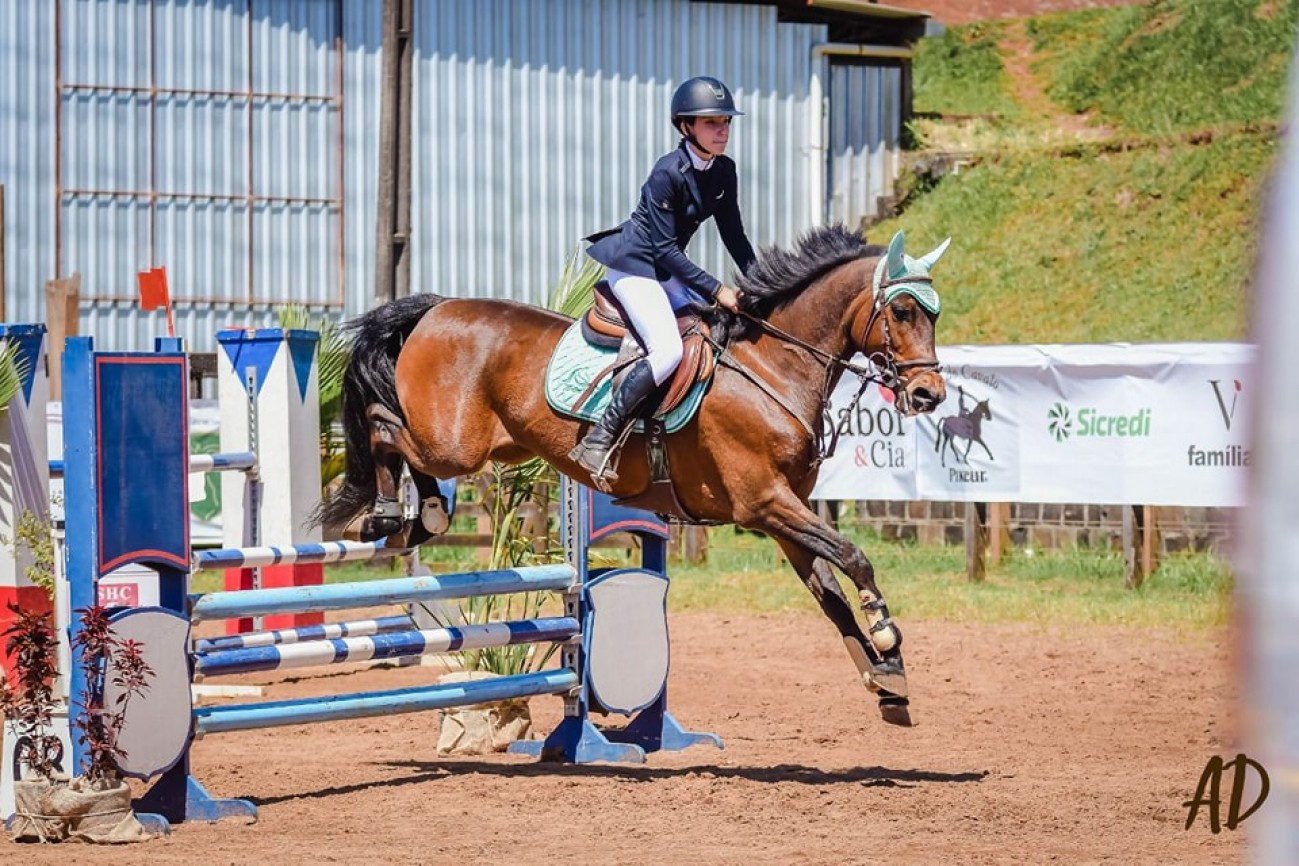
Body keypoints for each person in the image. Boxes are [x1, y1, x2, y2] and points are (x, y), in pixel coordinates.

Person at [569, 75, 758, 488]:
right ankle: (600, 437)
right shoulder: (666, 173)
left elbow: (734, 234)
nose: (722, 130)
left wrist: (760, 282)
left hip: (667, 270)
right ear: (686, 126)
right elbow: (665, 250)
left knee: (711, 331)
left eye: (726, 121)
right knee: (669, 350)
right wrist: (718, 289)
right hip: (636, 267)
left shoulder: (724, 170)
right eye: (712, 123)